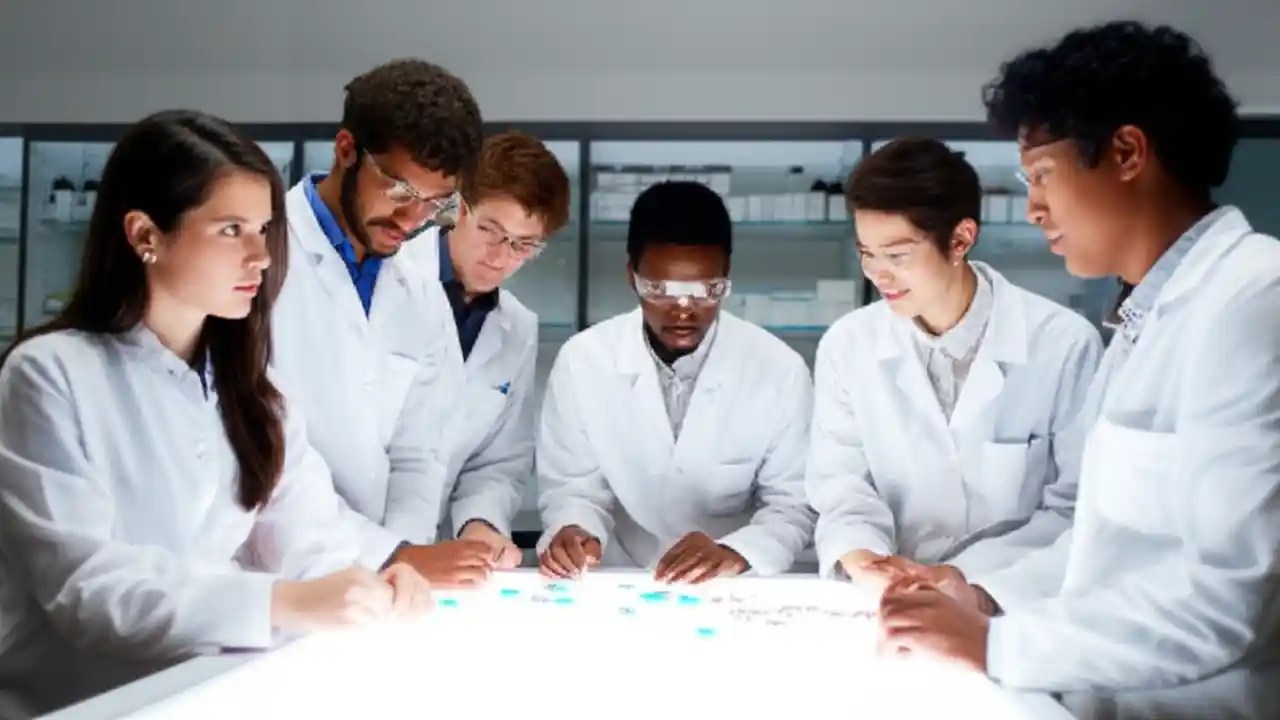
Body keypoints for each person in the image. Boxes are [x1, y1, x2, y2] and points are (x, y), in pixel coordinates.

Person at [877, 21, 1280, 719]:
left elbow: (1231, 595)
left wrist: (998, 646)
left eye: (1041, 176)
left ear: (1126, 152)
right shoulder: (1143, 319)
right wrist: (979, 595)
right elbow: (1102, 546)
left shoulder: (1253, 301)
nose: (1033, 208)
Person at [0, 111, 430, 716]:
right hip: (75, 699)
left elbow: (308, 541)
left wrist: (372, 578)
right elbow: (87, 591)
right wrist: (282, 603)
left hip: (198, 686)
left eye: (264, 229)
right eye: (231, 230)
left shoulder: (258, 394)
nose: (260, 256)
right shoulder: (50, 374)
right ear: (145, 234)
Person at [806, 137, 1101, 592]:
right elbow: (843, 484)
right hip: (892, 595)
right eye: (867, 254)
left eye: (898, 255)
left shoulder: (1062, 343)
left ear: (961, 238)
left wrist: (962, 577)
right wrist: (862, 555)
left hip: (1014, 597)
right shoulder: (848, 346)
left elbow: (1075, 507)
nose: (879, 275)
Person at [271, 59, 495, 588]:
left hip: (375, 582)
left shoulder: (417, 290)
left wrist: (404, 552)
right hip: (269, 572)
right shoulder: (260, 258)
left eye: (437, 205)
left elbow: (418, 450)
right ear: (346, 149)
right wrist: (388, 554)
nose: (412, 221)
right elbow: (258, 455)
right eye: (399, 191)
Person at [535, 181, 815, 583]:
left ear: (726, 276)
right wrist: (577, 531)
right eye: (661, 290)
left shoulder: (778, 371)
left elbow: (793, 505)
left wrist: (736, 551)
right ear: (632, 276)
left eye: (705, 291)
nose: (683, 310)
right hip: (620, 576)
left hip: (733, 585)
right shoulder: (583, 362)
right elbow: (573, 489)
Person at [417, 131, 571, 564]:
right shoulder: (391, 283)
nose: (501, 257)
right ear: (456, 208)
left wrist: (479, 525)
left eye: (524, 245)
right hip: (338, 542)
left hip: (427, 555)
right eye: (491, 230)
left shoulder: (518, 327)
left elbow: (498, 460)